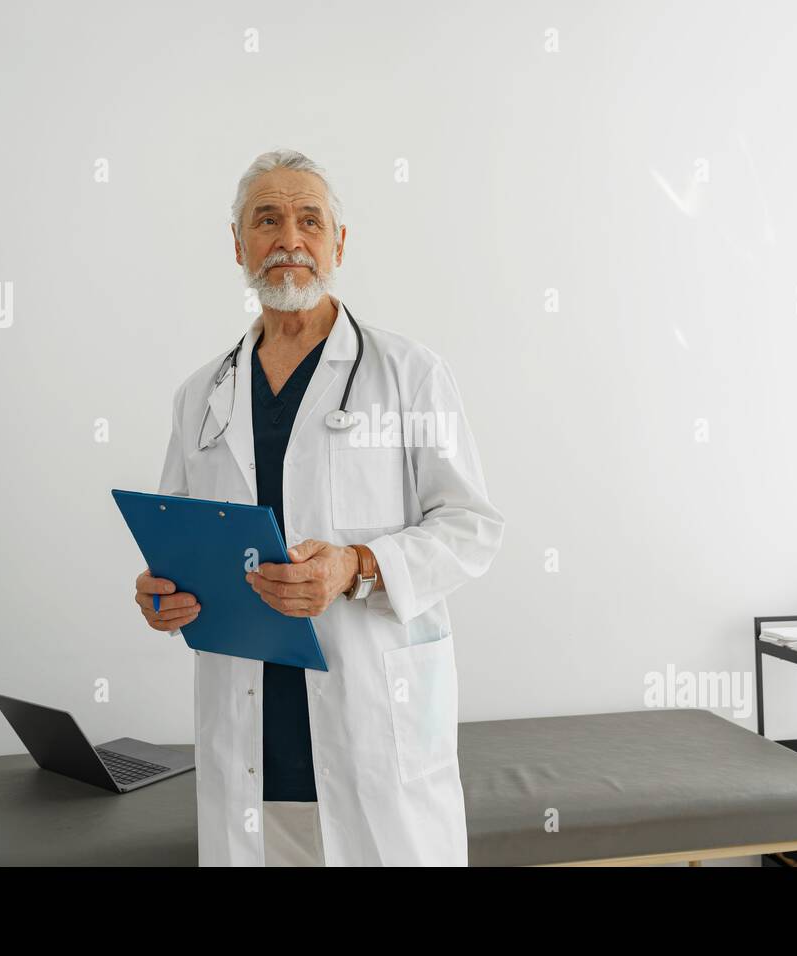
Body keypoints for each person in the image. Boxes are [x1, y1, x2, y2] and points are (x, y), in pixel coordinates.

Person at [135, 148, 504, 866]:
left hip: (372, 724)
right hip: (248, 737)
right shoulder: (200, 395)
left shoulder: (409, 375)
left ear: (339, 243)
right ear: (238, 245)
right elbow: (175, 540)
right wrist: (159, 594)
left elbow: (472, 527)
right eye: (266, 220)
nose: (289, 240)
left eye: (310, 220)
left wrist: (359, 566)